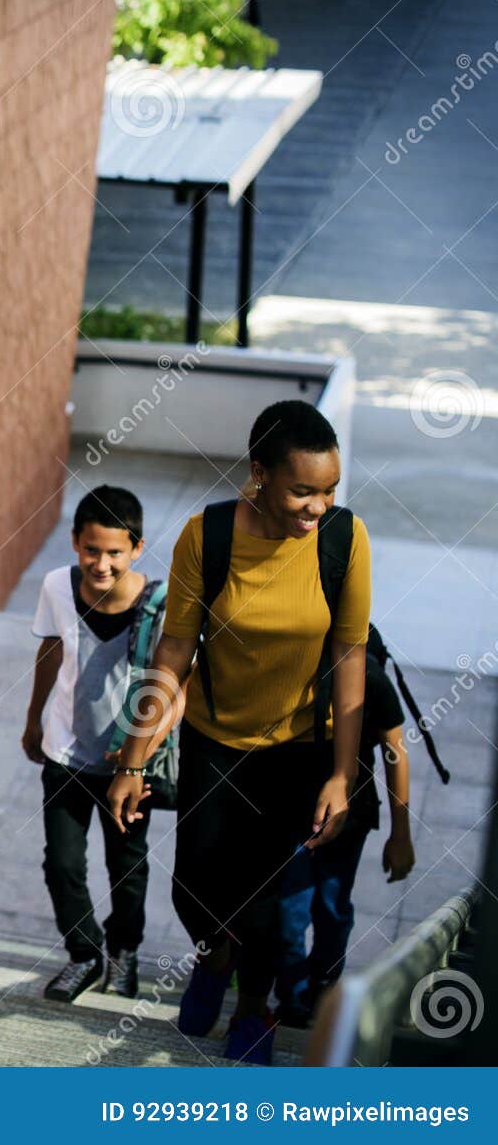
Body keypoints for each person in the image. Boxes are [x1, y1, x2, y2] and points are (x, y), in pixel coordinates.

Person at [111, 399, 371, 1065]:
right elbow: (173, 652)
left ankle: (255, 1009)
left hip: (296, 750)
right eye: (302, 490)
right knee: (192, 888)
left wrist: (342, 774)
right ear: (259, 473)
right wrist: (134, 761)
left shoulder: (345, 541)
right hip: (212, 741)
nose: (318, 505)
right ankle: (214, 954)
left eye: (329, 490)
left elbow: (349, 657)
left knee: (261, 899)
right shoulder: (211, 535)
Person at [22, 486, 179, 1004]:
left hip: (126, 769)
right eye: (92, 550)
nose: (102, 563)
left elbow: (175, 687)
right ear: (75, 543)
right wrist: (33, 721)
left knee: (126, 867)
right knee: (62, 864)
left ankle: (125, 951)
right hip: (66, 753)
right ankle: (85, 954)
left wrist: (141, 754)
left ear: (136, 548)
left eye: (115, 552)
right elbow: (49, 649)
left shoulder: (159, 605)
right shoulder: (55, 587)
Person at [275, 626, 416, 1025]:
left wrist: (401, 834)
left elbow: (395, 751)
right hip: (292, 812)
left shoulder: (368, 672)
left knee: (332, 905)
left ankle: (323, 988)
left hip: (350, 814)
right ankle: (292, 996)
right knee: (290, 911)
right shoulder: (288, 660)